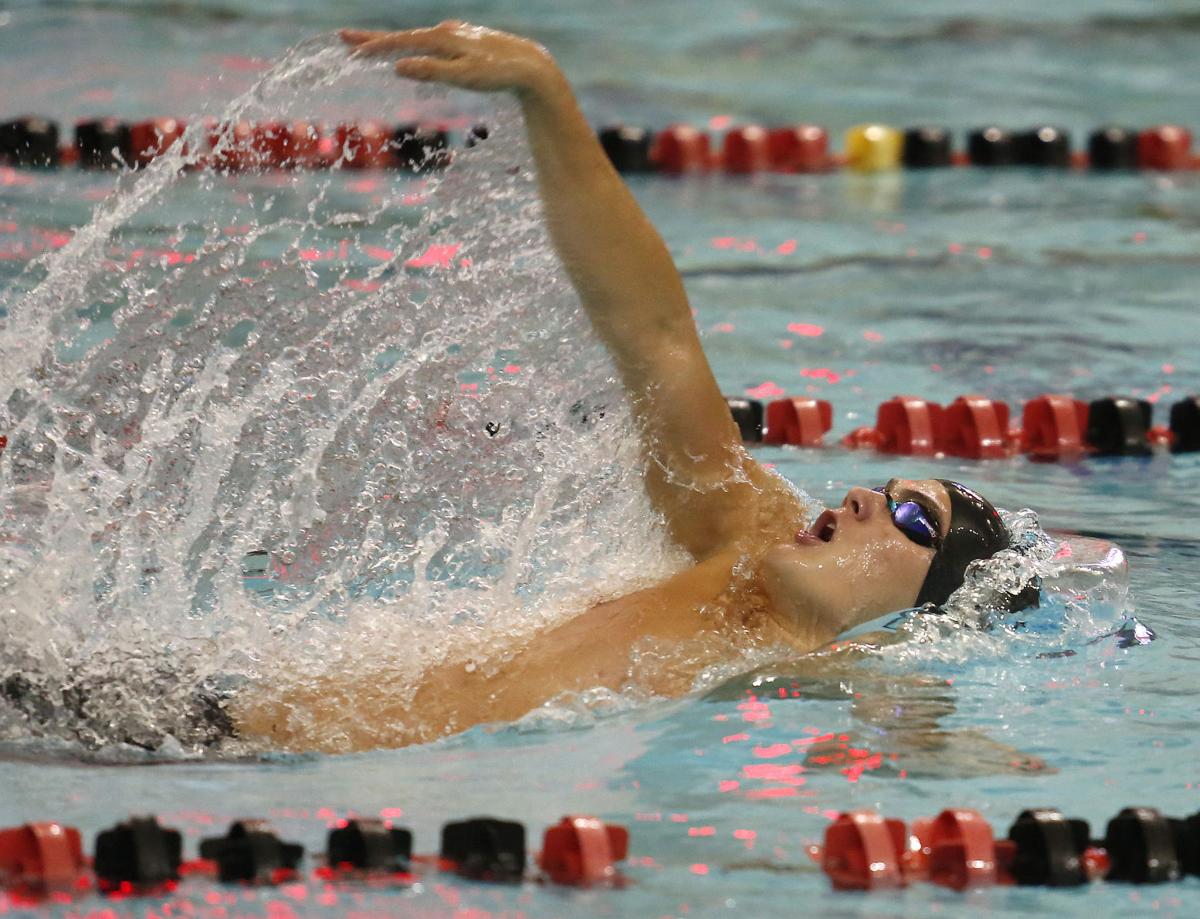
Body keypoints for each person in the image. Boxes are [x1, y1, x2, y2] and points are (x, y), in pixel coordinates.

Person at [230, 23, 1031, 752]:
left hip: (269, 765)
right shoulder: (742, 540)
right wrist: (543, 90)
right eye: (888, 490)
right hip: (218, 723)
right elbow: (657, 338)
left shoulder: (852, 674)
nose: (863, 497)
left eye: (911, 519)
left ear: (928, 611)